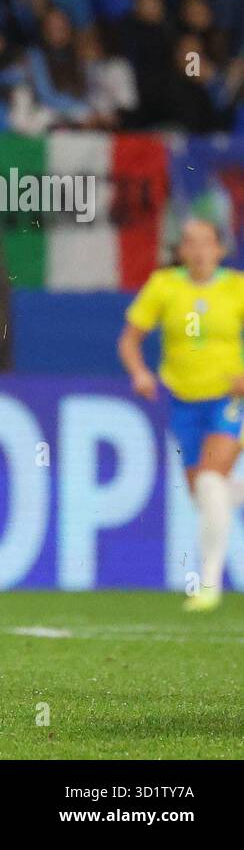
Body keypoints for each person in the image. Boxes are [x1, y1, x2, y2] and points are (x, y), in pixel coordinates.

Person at [119, 219, 243, 612]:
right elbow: (129, 339)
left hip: (227, 398)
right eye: (190, 242)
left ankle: (208, 585)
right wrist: (140, 373)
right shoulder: (164, 286)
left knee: (209, 481)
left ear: (220, 250)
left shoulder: (236, 286)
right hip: (183, 402)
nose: (199, 250)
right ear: (181, 251)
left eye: (206, 242)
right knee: (206, 496)